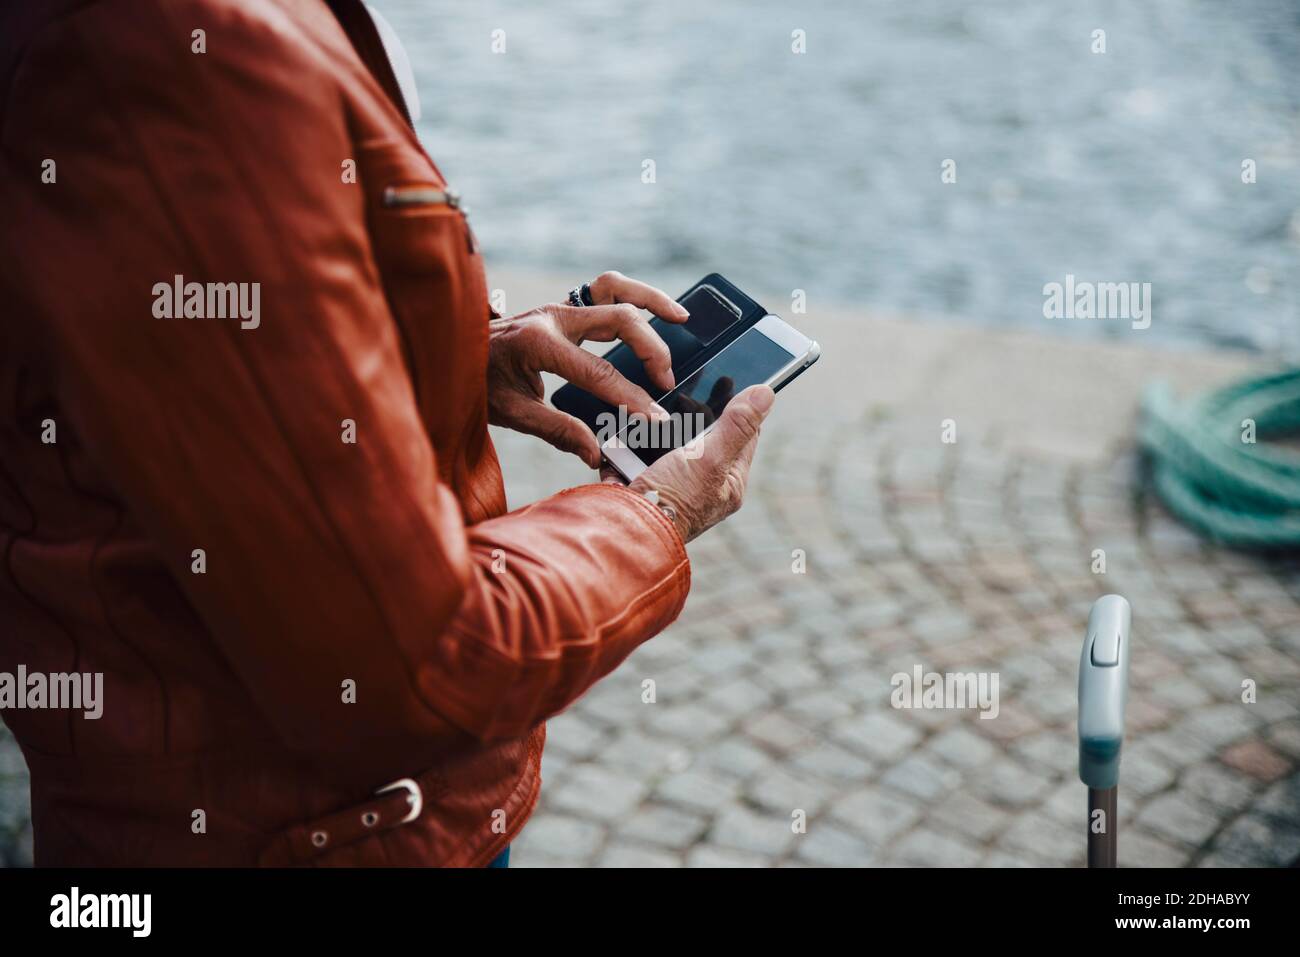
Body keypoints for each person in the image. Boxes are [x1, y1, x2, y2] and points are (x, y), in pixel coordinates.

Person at [0, 0, 773, 866]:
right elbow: (410, 661)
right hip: (325, 835)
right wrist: (658, 511)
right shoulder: (181, 55)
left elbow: (158, 368)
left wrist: (449, 346)